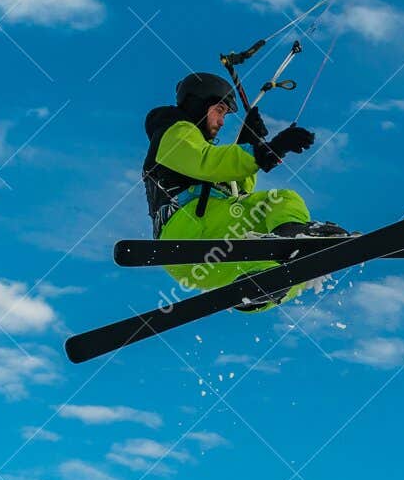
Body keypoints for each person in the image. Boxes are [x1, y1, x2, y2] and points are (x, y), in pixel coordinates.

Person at [142, 72, 347, 309]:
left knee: (293, 268)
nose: (221, 121)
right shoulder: (172, 132)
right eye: (219, 111)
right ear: (198, 103)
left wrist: (249, 143)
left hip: (203, 262)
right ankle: (294, 237)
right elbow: (207, 162)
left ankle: (256, 293)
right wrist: (265, 151)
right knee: (282, 200)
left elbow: (237, 190)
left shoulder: (201, 150)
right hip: (190, 232)